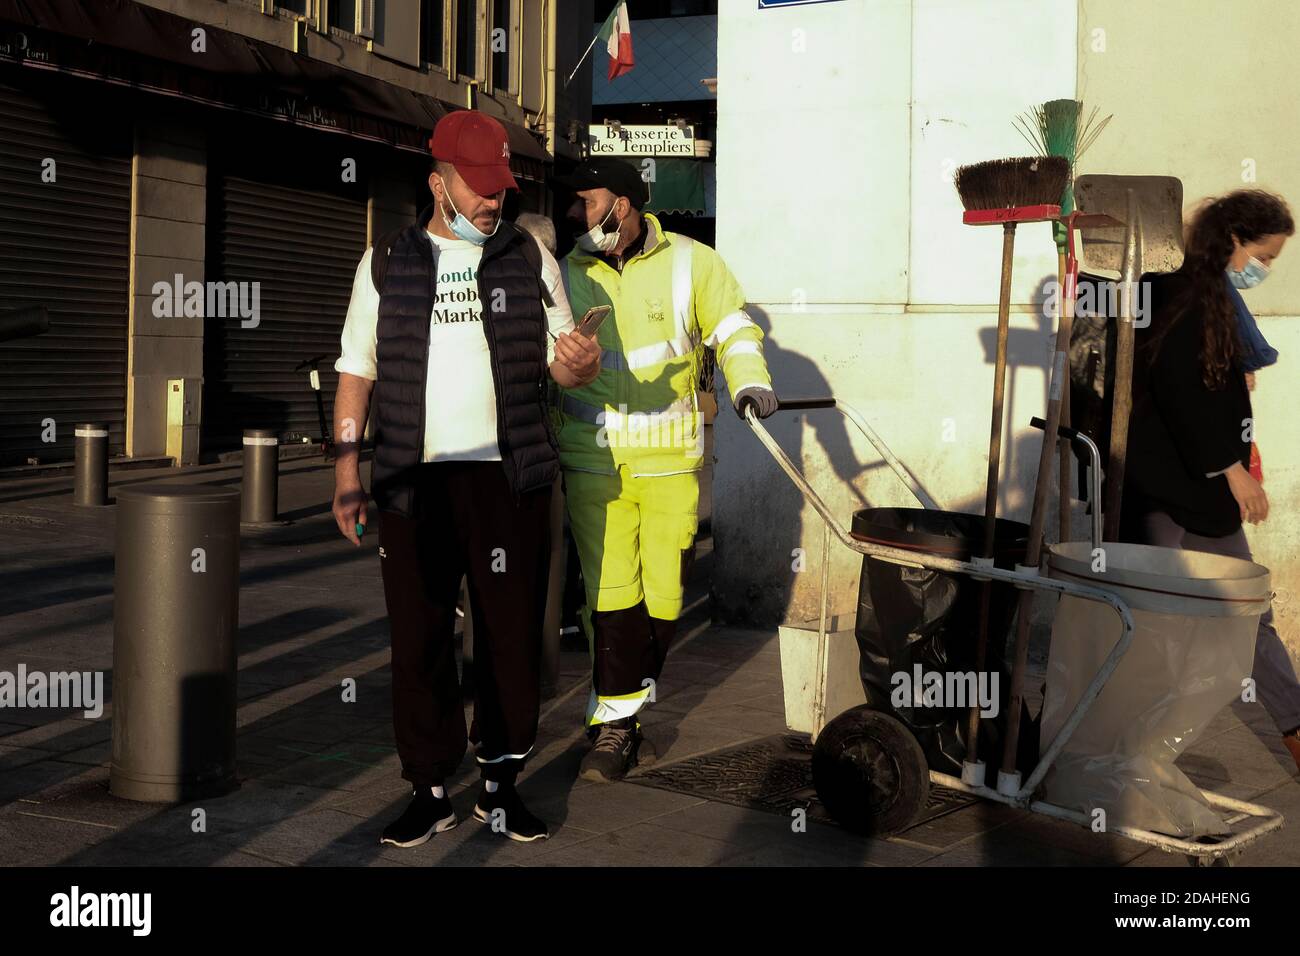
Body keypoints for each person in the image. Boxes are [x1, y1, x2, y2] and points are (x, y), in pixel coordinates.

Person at [330, 110, 601, 846]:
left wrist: (580, 365)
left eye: (501, 188)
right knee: (417, 640)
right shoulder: (386, 261)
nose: (494, 201)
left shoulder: (528, 258)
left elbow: (565, 355)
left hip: (508, 479)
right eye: (478, 188)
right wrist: (347, 466)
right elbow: (358, 370)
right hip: (411, 482)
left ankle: (502, 784)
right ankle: (428, 787)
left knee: (511, 639)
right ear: (437, 183)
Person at [553, 157, 778, 782]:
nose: (576, 213)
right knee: (611, 591)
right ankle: (616, 728)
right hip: (593, 459)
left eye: (586, 201)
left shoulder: (691, 261)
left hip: (670, 462)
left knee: (666, 596)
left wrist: (750, 383)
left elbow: (733, 327)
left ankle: (621, 703)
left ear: (622, 204)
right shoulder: (563, 272)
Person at [1121, 188, 1300, 771]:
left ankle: (1296, 729)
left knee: (1248, 611)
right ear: (1232, 241)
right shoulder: (1181, 296)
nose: (1265, 270)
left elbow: (1209, 390)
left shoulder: (1216, 300)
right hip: (1171, 487)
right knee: (1150, 619)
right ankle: (1118, 748)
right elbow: (1177, 392)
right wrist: (1233, 473)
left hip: (1204, 491)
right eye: (1264, 257)